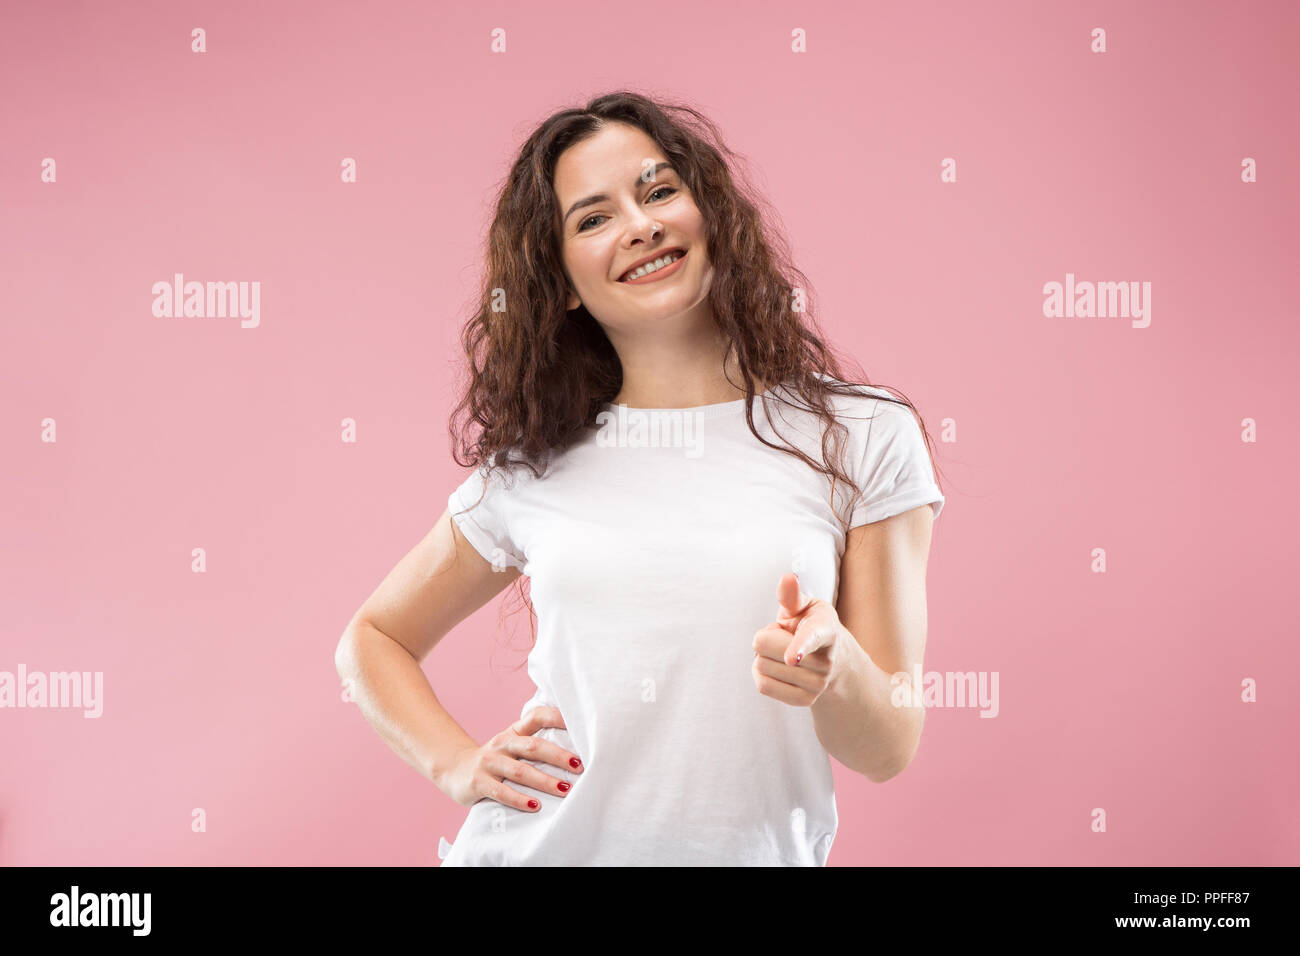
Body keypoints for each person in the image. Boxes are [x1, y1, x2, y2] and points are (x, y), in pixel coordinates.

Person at [334, 91, 946, 866]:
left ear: (709, 210)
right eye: (592, 219)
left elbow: (890, 746)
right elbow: (372, 640)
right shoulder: (534, 467)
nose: (641, 225)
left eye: (659, 191)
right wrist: (455, 763)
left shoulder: (861, 434)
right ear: (557, 280)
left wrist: (837, 670)